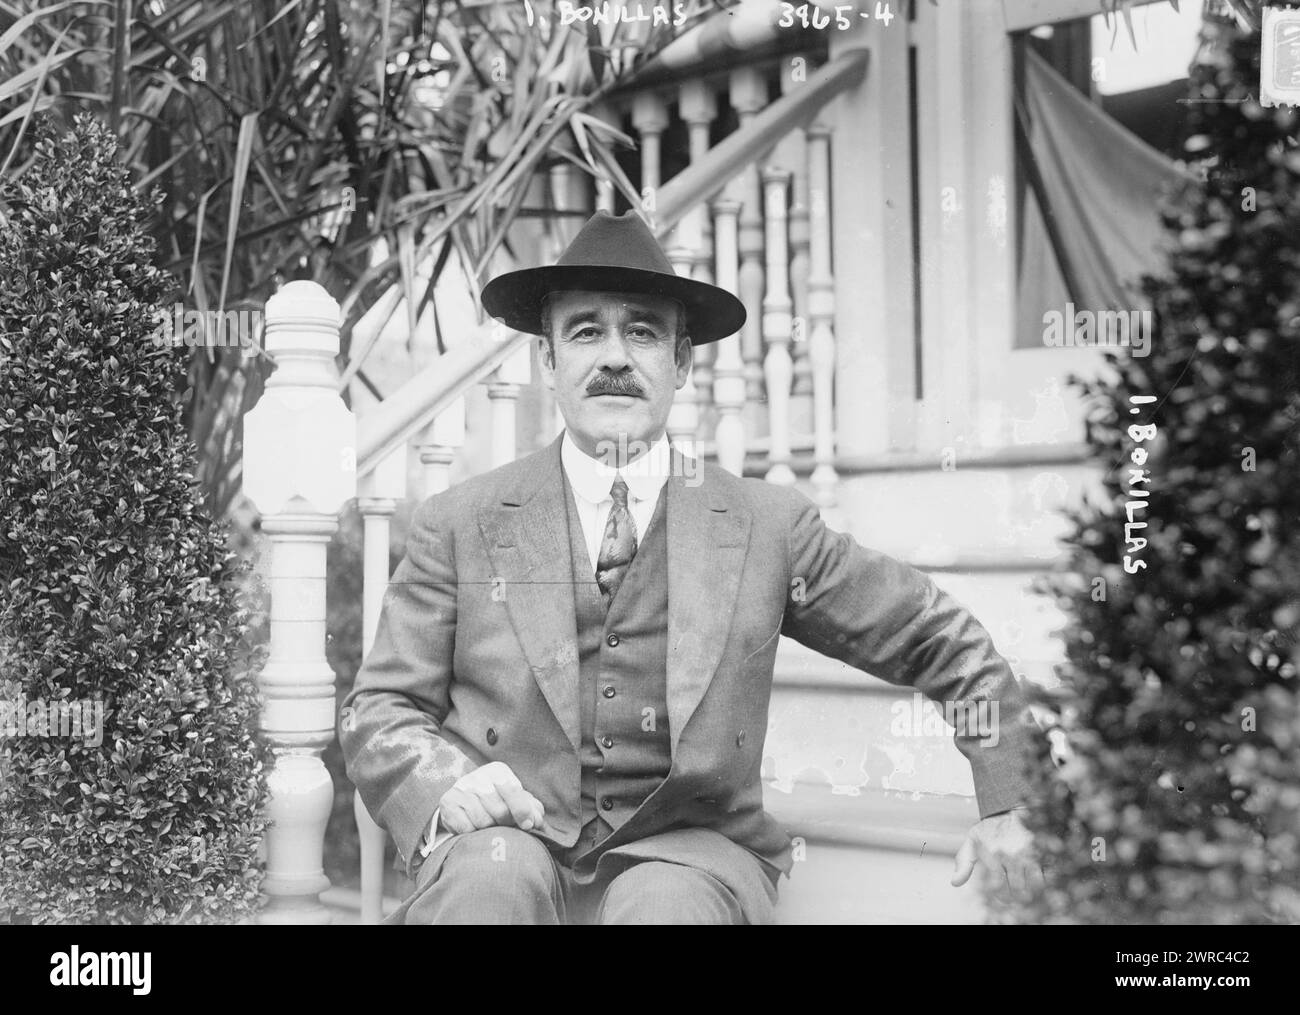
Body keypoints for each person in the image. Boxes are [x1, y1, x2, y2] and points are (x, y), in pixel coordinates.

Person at [340, 209, 1043, 925]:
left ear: (679, 362)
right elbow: (380, 710)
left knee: (666, 906)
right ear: (547, 361)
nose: (615, 356)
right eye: (586, 330)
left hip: (686, 849)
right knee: (491, 881)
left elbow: (931, 634)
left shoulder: (765, 525)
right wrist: (448, 784)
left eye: (642, 331)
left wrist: (1014, 797)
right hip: (510, 840)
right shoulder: (460, 522)